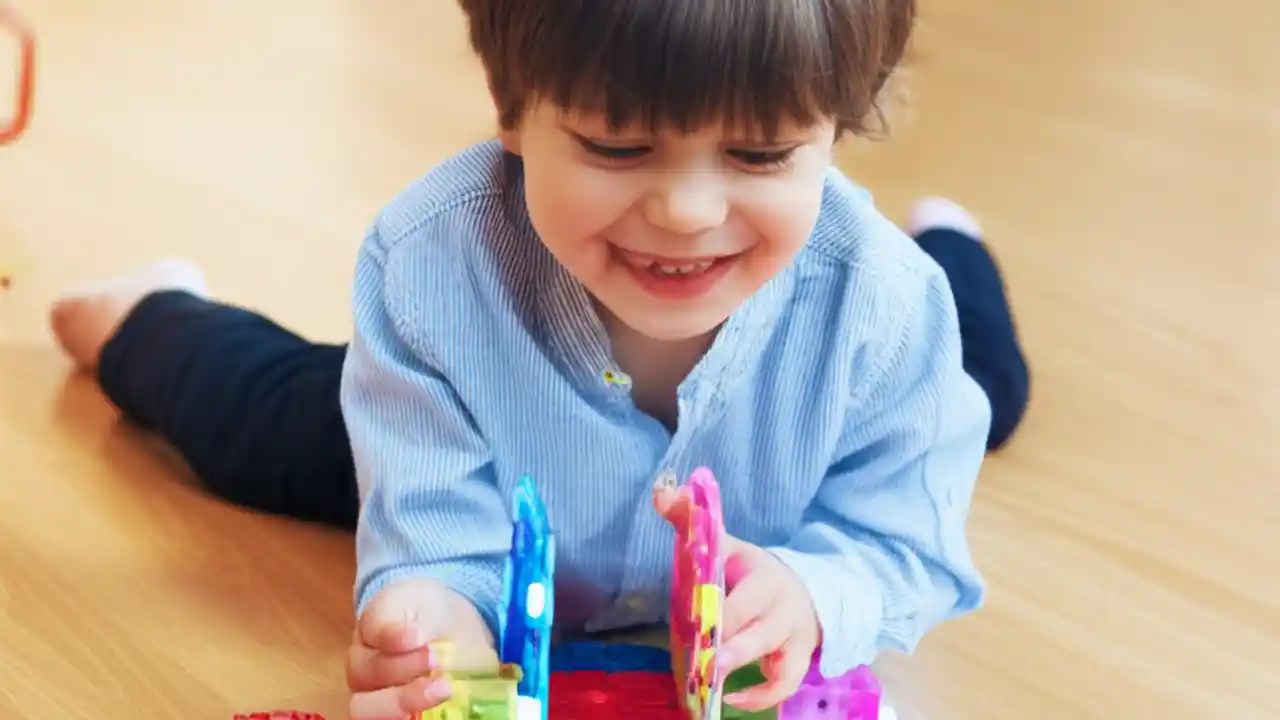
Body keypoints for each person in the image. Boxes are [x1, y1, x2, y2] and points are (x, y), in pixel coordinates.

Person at [50, 1, 1029, 717]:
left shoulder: (881, 308)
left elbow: (906, 543)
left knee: (985, 390)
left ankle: (951, 238)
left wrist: (817, 594)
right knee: (252, 427)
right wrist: (434, 626)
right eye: (614, 144)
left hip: (864, 331)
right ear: (510, 111)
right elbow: (434, 549)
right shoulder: (433, 266)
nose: (684, 213)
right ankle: (142, 308)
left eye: (760, 155)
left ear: (839, 125)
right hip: (475, 425)